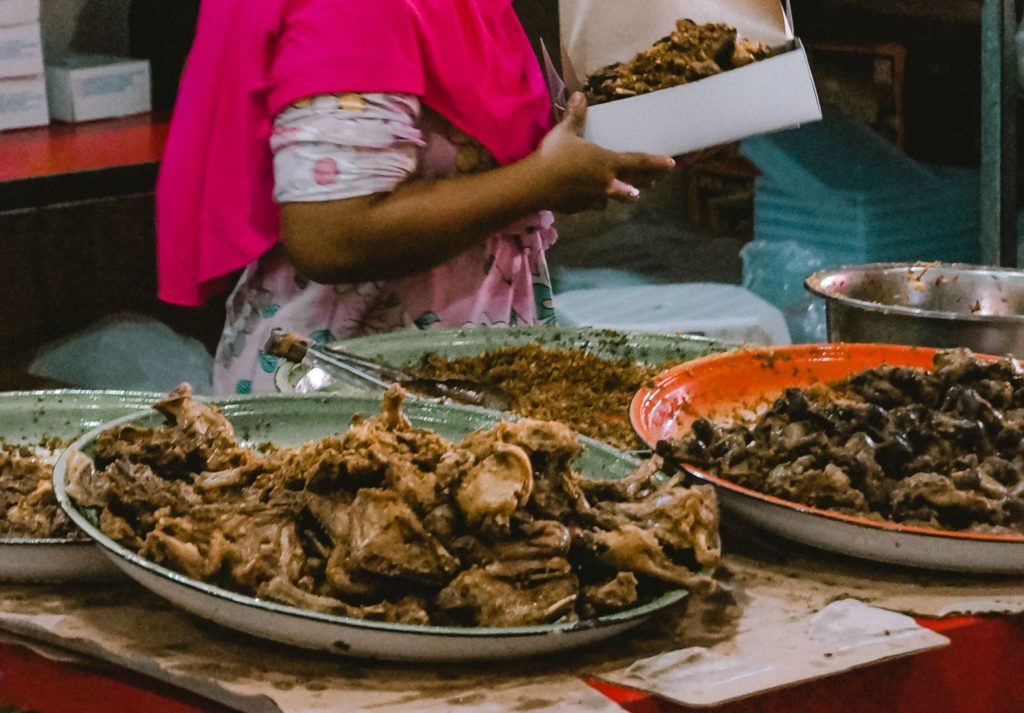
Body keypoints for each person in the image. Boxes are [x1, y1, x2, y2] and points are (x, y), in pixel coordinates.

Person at [156, 0, 675, 396]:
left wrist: (580, 168)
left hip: (445, 368)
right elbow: (331, 234)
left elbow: (485, 158)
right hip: (348, 390)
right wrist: (541, 183)